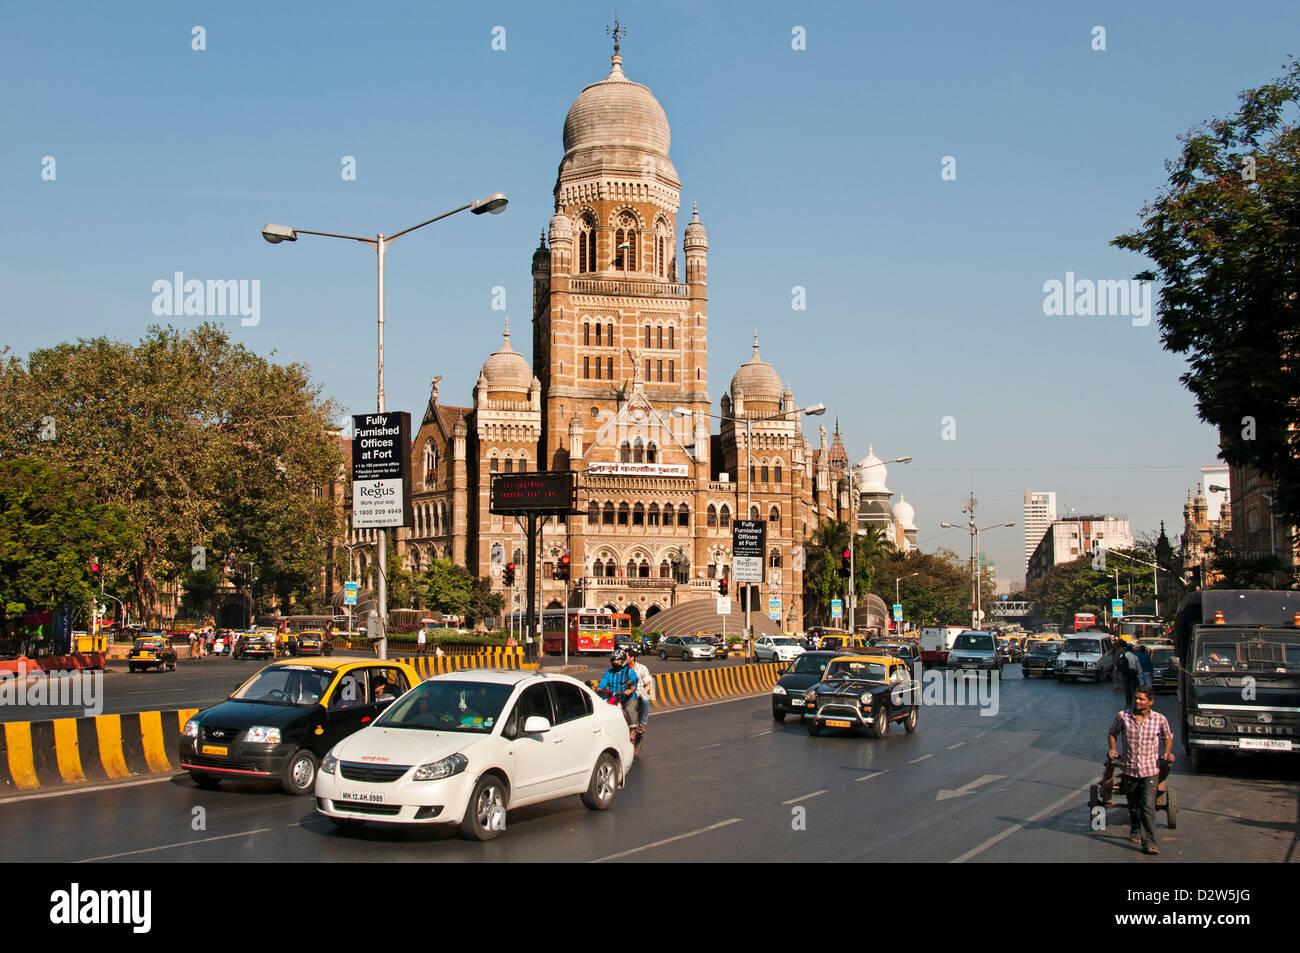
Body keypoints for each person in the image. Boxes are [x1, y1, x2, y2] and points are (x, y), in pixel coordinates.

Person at [1107, 686, 1174, 855]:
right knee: (1134, 805)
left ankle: (1150, 842)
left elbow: (1168, 736)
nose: (1137, 701)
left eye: (1142, 699)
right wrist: (1113, 749)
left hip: (1150, 770)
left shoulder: (1159, 719)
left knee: (1148, 806)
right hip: (1129, 769)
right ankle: (1135, 828)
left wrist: (1167, 752)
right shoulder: (1123, 717)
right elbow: (1112, 733)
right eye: (1136, 698)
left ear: (1150, 702)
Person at [596, 649, 640, 728]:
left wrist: (630, 690)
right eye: (613, 660)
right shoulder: (608, 672)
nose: (615, 661)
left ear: (623, 660)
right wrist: (598, 688)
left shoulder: (630, 672)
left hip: (628, 697)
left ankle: (633, 730)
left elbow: (634, 684)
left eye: (618, 659)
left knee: (629, 710)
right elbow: (603, 683)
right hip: (612, 698)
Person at [627, 650, 654, 733]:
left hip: (640, 691)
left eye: (626, 657)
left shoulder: (642, 668)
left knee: (645, 700)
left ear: (632, 658)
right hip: (627, 692)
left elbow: (649, 684)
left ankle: (642, 723)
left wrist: (644, 692)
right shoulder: (622, 669)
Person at [1122, 643, 1140, 707]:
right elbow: (1138, 667)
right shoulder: (1134, 656)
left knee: (1127, 687)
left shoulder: (1123, 655)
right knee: (1134, 687)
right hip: (1133, 672)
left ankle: (1128, 701)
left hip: (1125, 673)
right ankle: (1135, 700)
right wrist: (1139, 674)